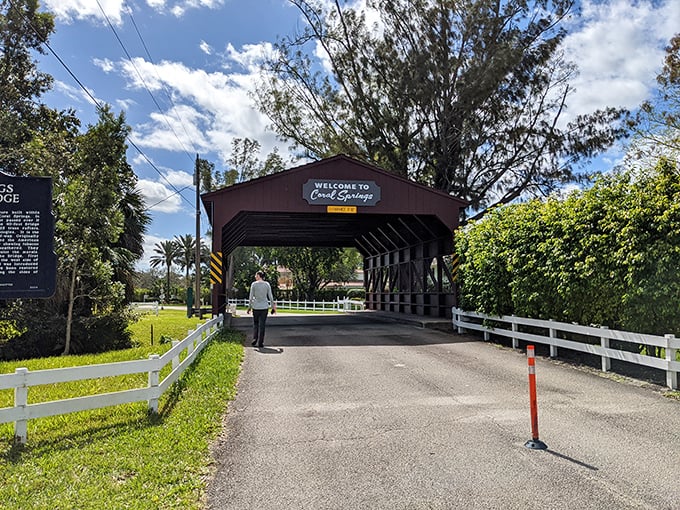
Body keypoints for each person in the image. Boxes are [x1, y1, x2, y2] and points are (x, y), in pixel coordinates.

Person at [247, 270, 276, 348]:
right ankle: (261, 342)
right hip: (264, 307)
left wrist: (249, 307)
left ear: (259, 276)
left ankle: (254, 339)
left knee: (256, 324)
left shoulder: (254, 284)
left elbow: (251, 297)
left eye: (256, 275)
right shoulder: (267, 284)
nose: (255, 277)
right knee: (262, 325)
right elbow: (270, 297)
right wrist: (273, 306)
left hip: (256, 307)